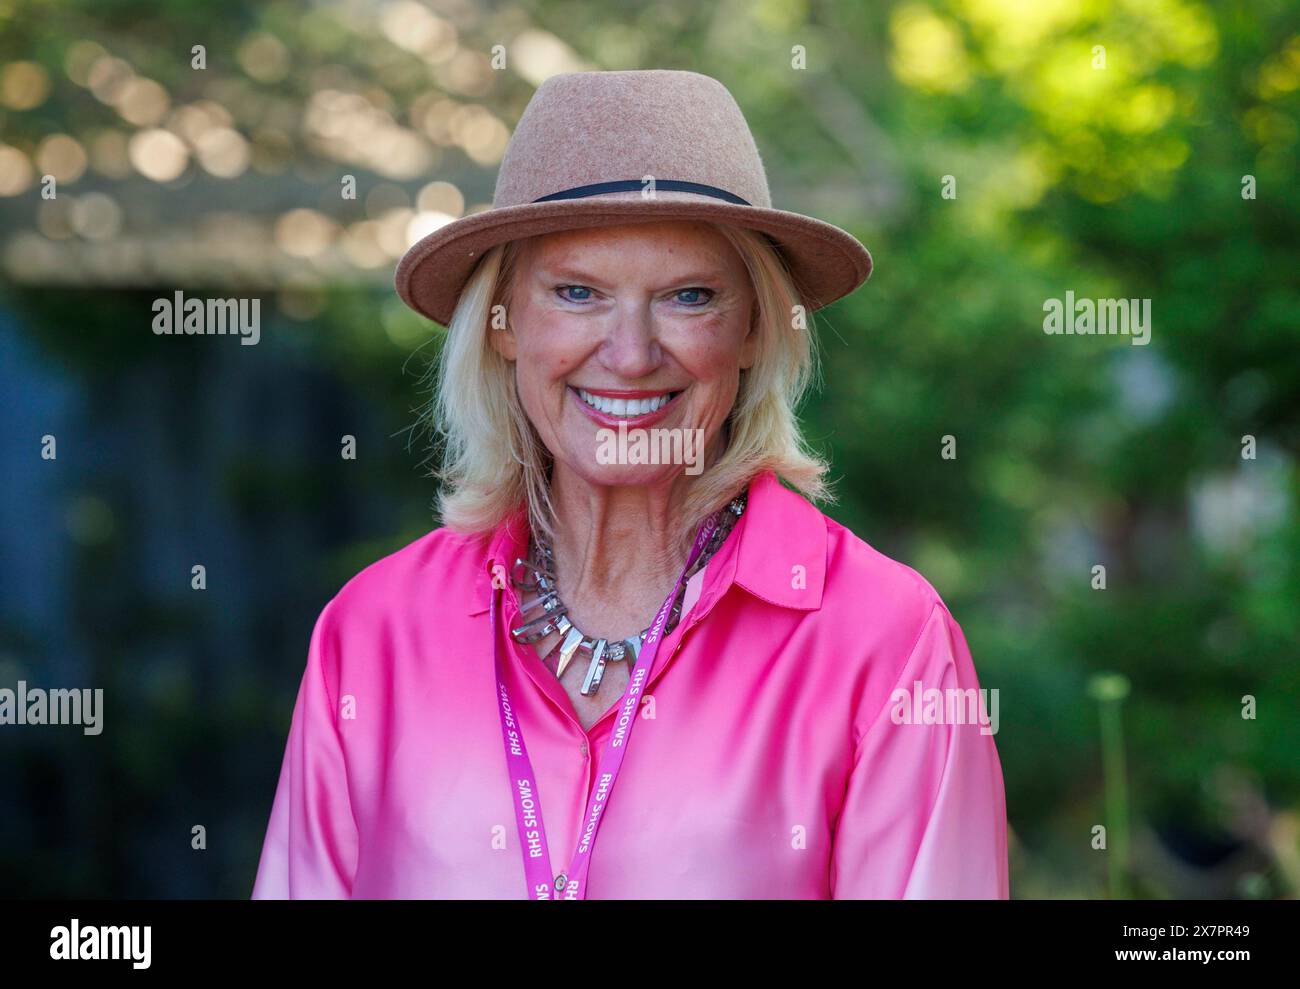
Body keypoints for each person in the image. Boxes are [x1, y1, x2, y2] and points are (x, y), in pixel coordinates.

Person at [251, 69, 1008, 899]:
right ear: (503, 323)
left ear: (754, 329)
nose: (631, 352)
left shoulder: (885, 641)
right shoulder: (372, 633)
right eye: (577, 293)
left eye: (689, 297)